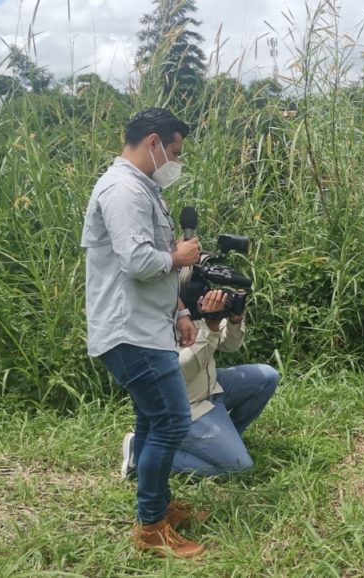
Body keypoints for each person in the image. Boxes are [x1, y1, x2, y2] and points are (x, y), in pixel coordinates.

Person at [81, 107, 204, 558]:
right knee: (172, 420)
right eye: (173, 151)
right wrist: (179, 258)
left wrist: (179, 311)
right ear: (153, 142)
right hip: (128, 330)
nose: (174, 160)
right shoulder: (123, 191)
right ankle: (151, 528)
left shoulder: (142, 190)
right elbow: (138, 263)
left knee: (154, 420)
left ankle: (160, 506)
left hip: (149, 325)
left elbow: (144, 262)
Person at [170, 280, 280, 476]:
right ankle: (141, 450)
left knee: (267, 377)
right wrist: (210, 327)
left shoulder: (194, 302)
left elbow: (229, 345)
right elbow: (179, 372)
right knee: (241, 467)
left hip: (212, 387)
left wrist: (234, 320)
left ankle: (226, 443)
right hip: (185, 407)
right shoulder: (157, 315)